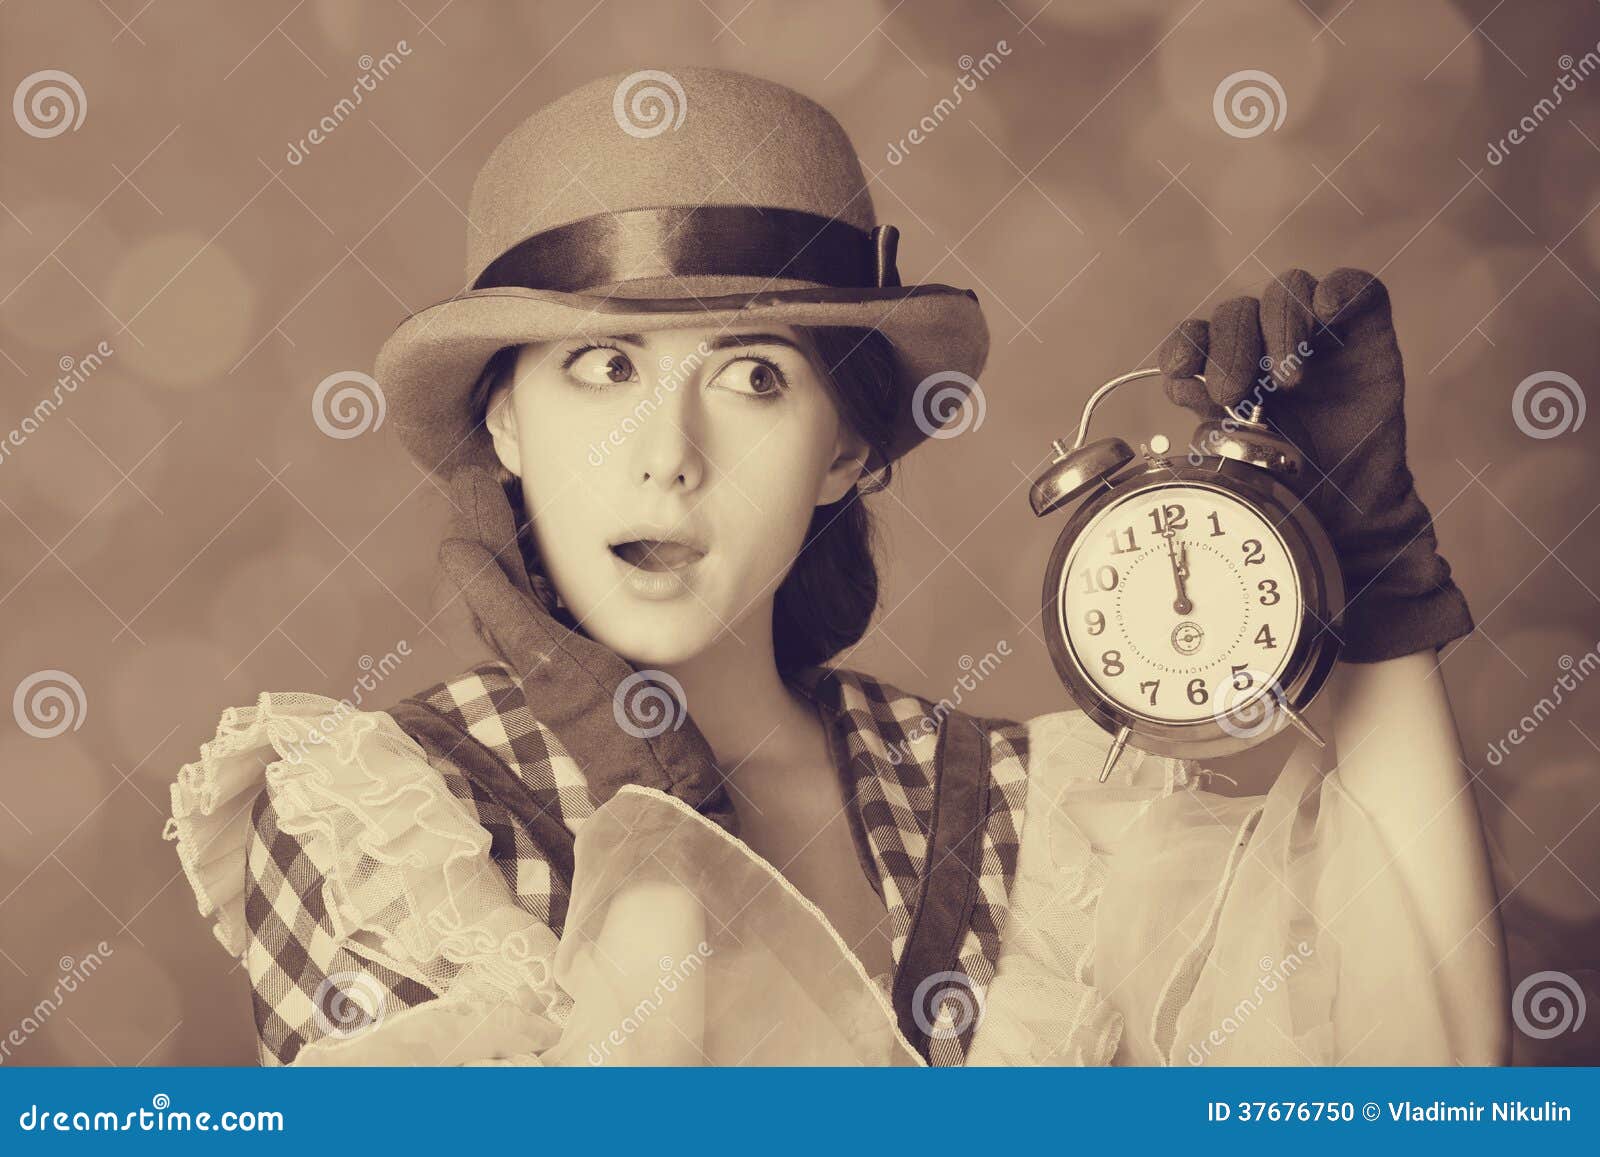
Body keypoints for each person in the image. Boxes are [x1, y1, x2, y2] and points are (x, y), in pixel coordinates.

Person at [163, 66, 1508, 1067]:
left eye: (751, 377)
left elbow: (1419, 1091)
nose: (667, 456)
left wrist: (1371, 591)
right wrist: (657, 841)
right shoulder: (382, 824)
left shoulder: (1040, 812)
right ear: (505, 421)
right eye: (602, 368)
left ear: (849, 448)